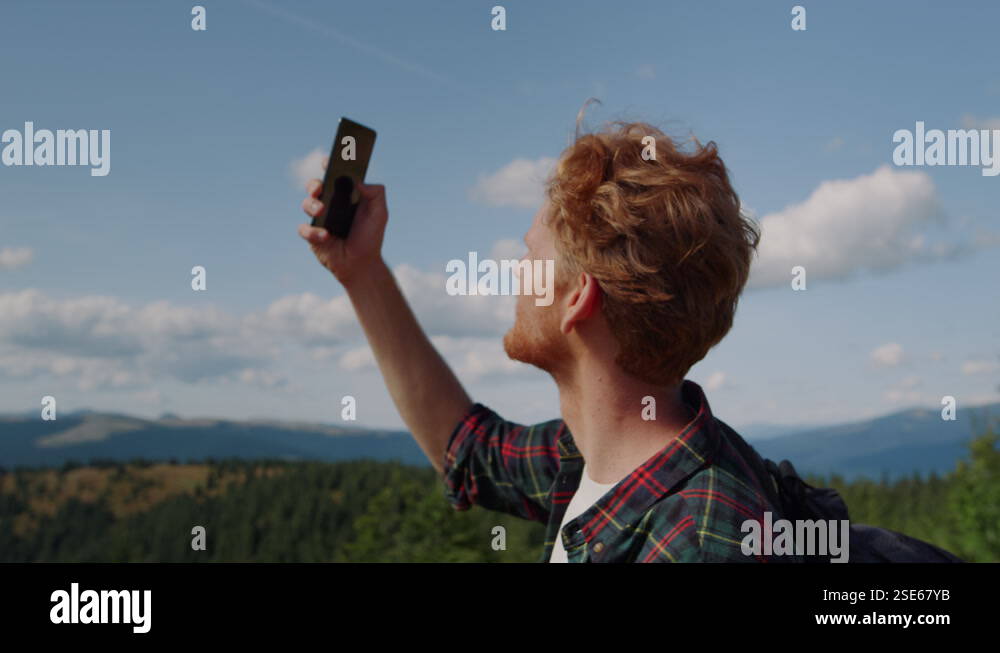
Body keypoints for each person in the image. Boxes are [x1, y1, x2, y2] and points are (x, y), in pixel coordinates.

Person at [297, 115, 802, 563]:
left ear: (577, 299)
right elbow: (469, 452)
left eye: (530, 253)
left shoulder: (702, 543)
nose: (516, 272)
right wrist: (361, 273)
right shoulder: (592, 455)